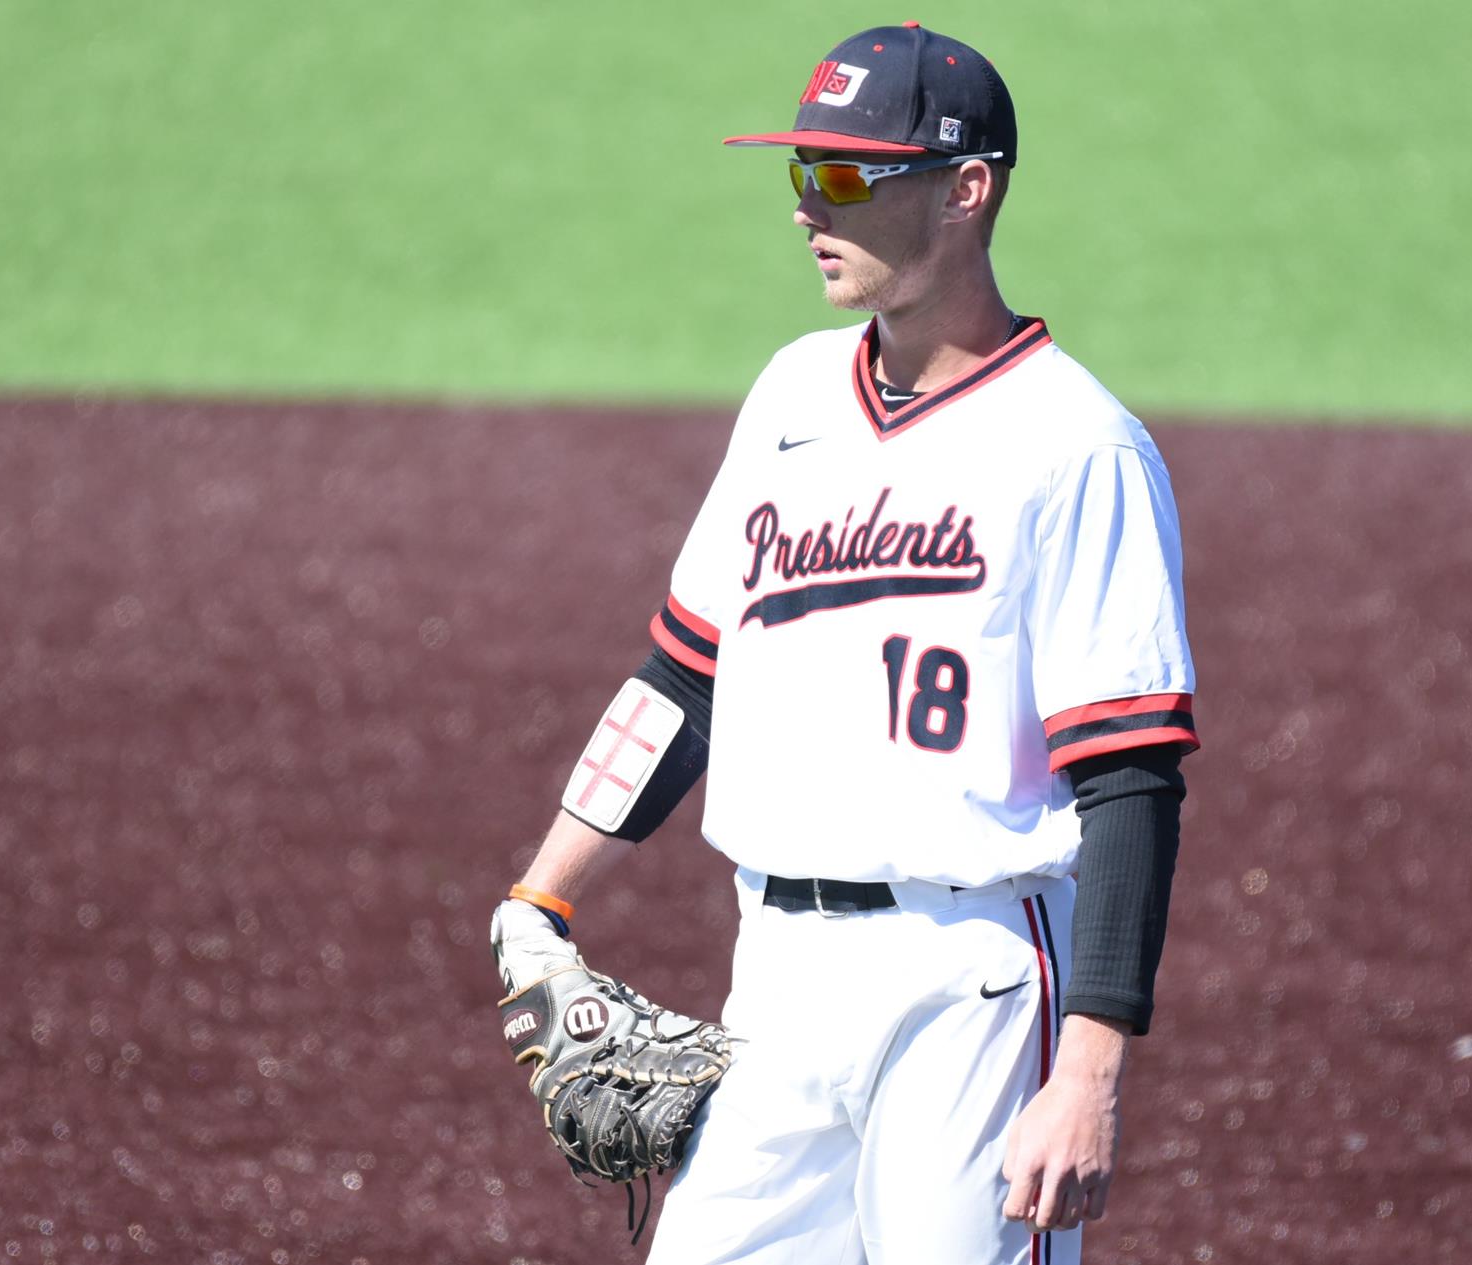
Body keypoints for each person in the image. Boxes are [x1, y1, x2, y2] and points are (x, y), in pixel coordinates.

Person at [490, 22, 1197, 1264]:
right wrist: (540, 893)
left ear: (966, 190)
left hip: (971, 984)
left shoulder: (1077, 446)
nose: (808, 207)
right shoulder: (791, 394)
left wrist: (1089, 1068)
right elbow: (684, 674)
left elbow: (1129, 774)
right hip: (774, 978)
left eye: (846, 175)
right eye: (800, 171)